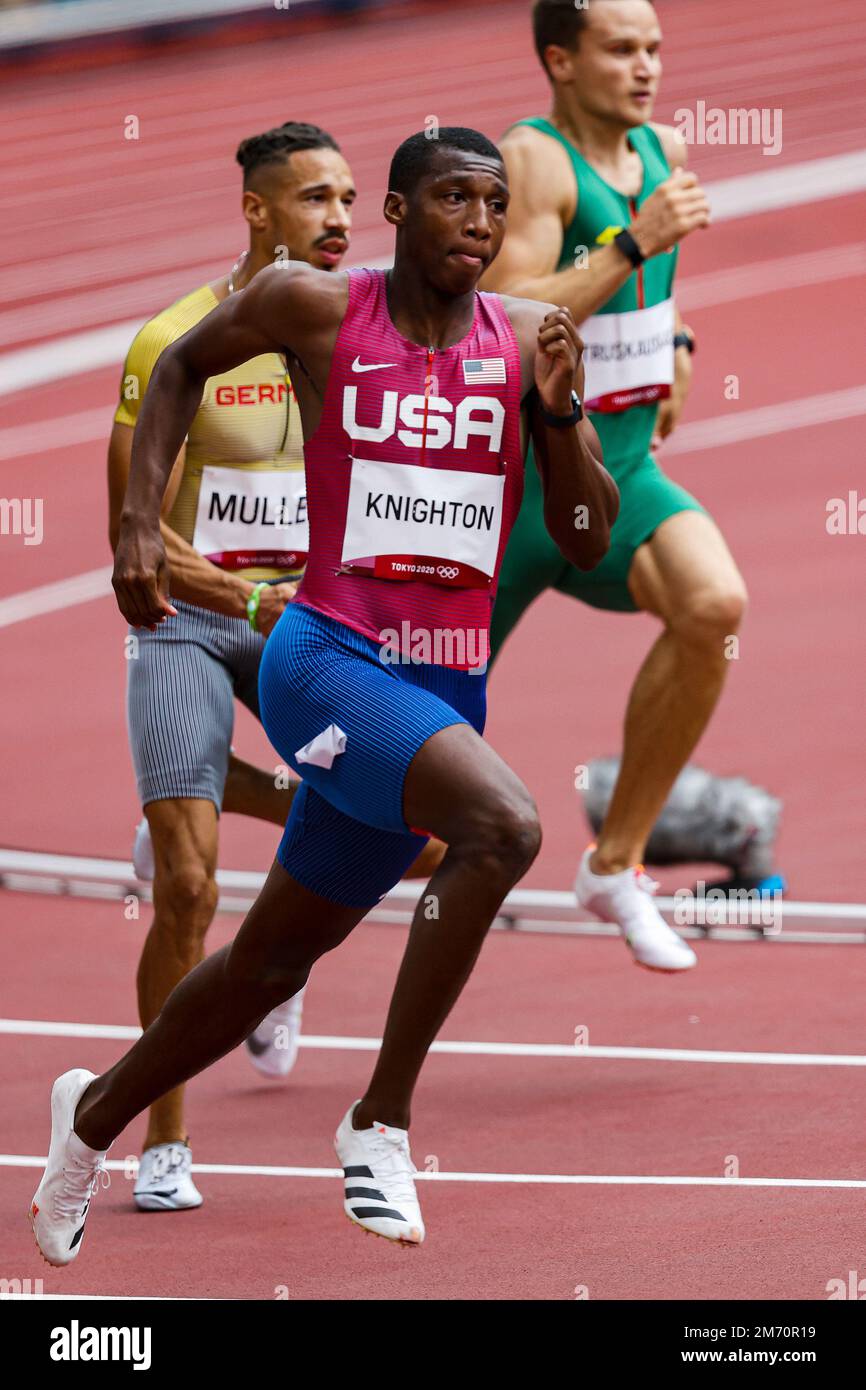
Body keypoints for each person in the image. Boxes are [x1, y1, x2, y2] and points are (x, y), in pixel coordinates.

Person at [31, 127, 619, 1263]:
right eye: (453, 199)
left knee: (267, 966)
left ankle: (89, 1114)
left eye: (495, 205)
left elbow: (585, 540)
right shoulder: (317, 307)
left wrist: (557, 412)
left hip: (444, 679)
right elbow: (181, 367)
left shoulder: (524, 342)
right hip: (323, 654)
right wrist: (131, 524)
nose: (481, 224)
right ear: (397, 213)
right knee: (503, 827)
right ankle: (380, 1120)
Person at [107, 120, 360, 1212]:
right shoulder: (174, 339)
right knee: (189, 886)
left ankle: (266, 928)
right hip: (194, 624)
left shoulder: (371, 334)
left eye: (349, 198)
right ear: (257, 210)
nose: (340, 218)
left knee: (426, 835)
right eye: (313, 199)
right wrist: (252, 594)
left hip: (312, 625)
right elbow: (138, 545)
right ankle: (161, 1137)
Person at [481, 0, 751, 971]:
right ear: (559, 57)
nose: (645, 67)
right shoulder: (534, 161)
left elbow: (654, 285)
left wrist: (675, 342)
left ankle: (614, 863)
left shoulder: (661, 144)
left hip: (618, 466)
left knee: (712, 604)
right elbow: (508, 316)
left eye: (654, 48)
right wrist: (630, 240)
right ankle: (282, 959)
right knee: (392, 766)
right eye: (621, 48)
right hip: (506, 494)